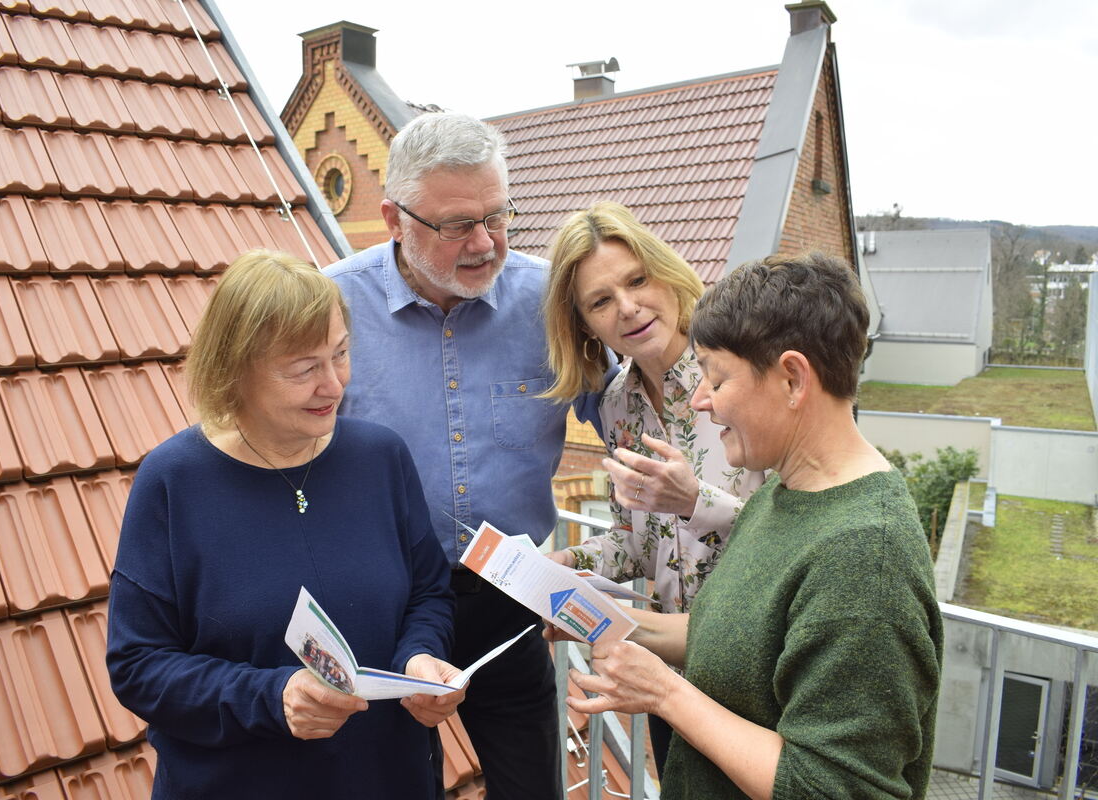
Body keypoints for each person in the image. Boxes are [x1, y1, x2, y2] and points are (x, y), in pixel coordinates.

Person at [561, 253, 943, 800]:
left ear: (792, 379)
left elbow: (837, 787)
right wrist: (607, 620)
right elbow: (738, 639)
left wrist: (667, 695)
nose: (701, 400)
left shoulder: (865, 559)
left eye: (717, 378)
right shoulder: (780, 494)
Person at [106, 250, 462, 799]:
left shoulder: (382, 457)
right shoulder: (173, 482)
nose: (334, 385)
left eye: (340, 354)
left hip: (387, 778)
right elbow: (139, 665)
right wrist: (271, 697)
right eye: (304, 369)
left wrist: (418, 657)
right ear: (236, 369)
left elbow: (429, 593)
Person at [325, 111, 604, 800]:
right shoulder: (328, 305)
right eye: (456, 226)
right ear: (393, 218)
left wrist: (621, 552)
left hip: (513, 599)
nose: (484, 244)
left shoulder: (550, 300)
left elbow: (628, 421)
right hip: (383, 603)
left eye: (498, 216)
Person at [540, 201, 765, 772]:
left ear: (663, 272)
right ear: (586, 325)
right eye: (600, 301)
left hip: (758, 671)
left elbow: (807, 528)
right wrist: (571, 560)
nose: (628, 307)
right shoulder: (618, 404)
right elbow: (637, 541)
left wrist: (695, 501)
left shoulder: (740, 367)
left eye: (636, 280)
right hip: (670, 678)